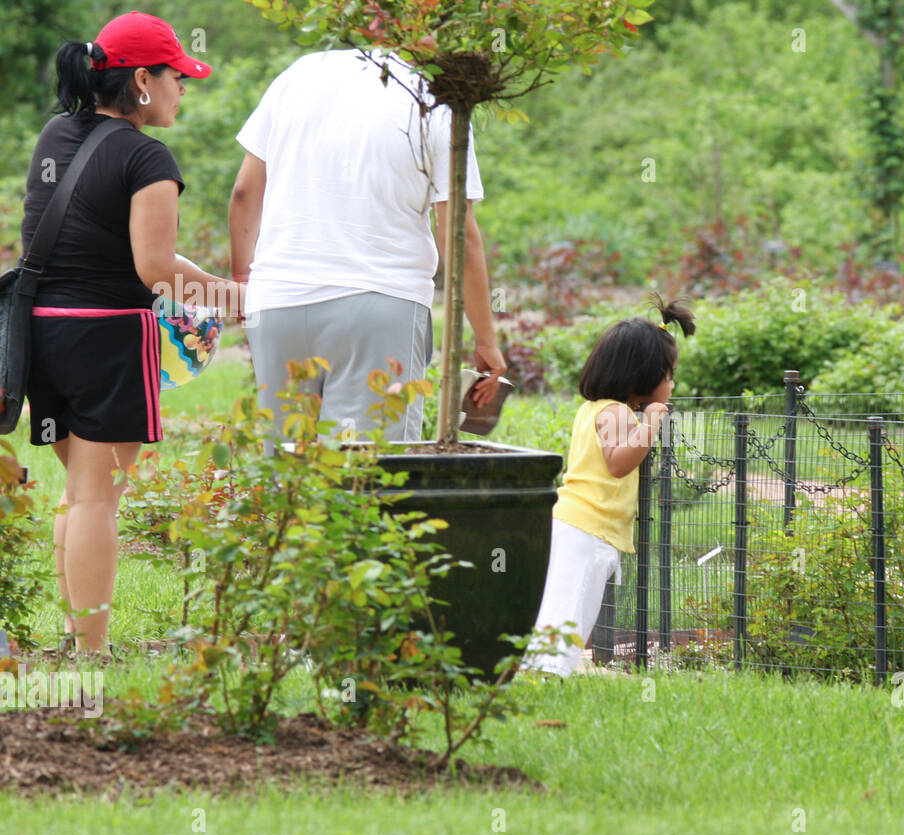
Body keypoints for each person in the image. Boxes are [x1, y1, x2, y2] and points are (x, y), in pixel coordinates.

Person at [21, 12, 241, 657]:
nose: (183, 89)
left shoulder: (57, 133)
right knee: (96, 496)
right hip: (107, 340)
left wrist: (214, 286)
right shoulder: (147, 156)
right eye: (178, 77)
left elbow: (94, 244)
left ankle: (73, 640)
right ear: (143, 80)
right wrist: (247, 299)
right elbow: (154, 270)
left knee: (78, 491)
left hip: (42, 334)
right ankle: (90, 653)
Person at [227, 49, 507, 446]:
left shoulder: (301, 73)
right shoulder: (437, 97)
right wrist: (485, 339)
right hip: (380, 306)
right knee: (367, 474)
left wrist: (245, 283)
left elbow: (244, 192)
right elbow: (456, 230)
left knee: (284, 475)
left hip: (277, 304)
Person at [523, 296, 697, 678]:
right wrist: (650, 423)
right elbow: (618, 463)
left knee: (566, 604)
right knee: (570, 606)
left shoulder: (595, 408)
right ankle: (547, 673)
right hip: (587, 529)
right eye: (668, 376)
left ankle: (543, 669)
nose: (672, 384)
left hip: (580, 525)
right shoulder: (616, 412)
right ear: (643, 377)